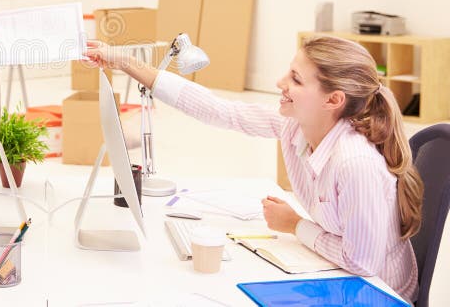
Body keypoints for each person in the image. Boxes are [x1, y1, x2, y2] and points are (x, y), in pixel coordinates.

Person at [86, 35, 423, 301]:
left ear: (333, 100)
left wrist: (296, 225)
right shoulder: (296, 126)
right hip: (337, 272)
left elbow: (362, 264)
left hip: (376, 292)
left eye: (295, 79)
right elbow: (221, 111)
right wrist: (124, 62)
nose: (279, 83)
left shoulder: (354, 162)